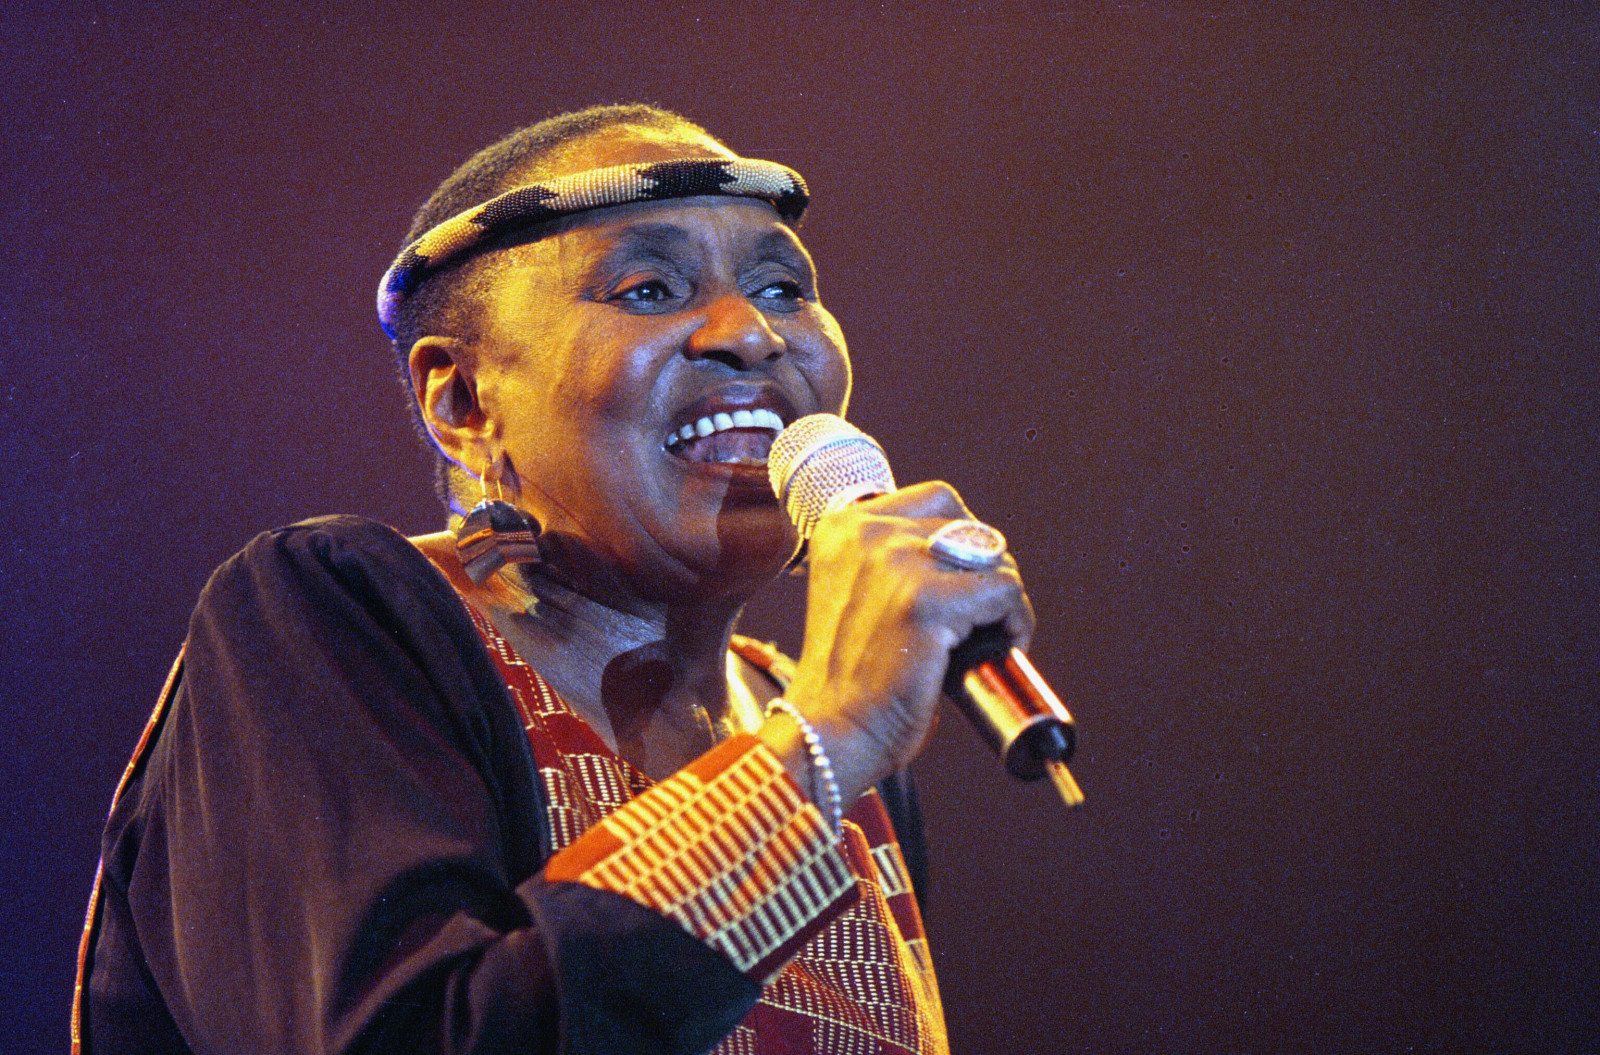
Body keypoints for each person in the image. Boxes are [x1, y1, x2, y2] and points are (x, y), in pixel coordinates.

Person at [76, 104, 1035, 1054]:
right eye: (649, 288)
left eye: (784, 288)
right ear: (462, 400)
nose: (750, 333)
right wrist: (830, 738)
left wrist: (831, 740)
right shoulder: (342, 615)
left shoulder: (839, 748)